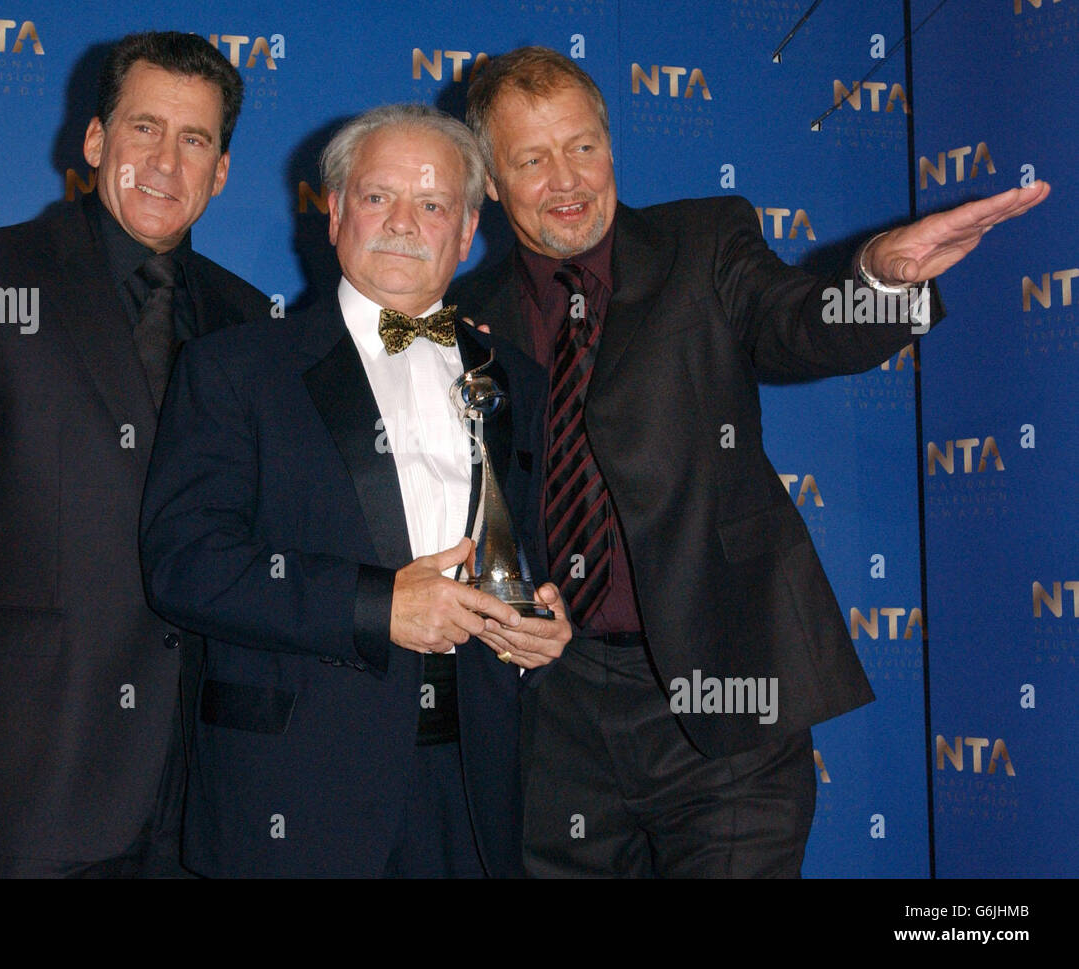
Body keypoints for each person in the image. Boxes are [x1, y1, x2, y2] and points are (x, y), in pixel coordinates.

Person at [448, 46, 1050, 877]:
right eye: (533, 158)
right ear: (488, 179)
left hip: (726, 696)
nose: (568, 179)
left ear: (612, 145)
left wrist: (879, 278)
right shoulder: (463, 323)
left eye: (583, 146)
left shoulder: (703, 242)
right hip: (553, 720)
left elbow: (796, 321)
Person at [0, 31, 271, 877]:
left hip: (205, 786)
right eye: (144, 128)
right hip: (34, 773)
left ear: (221, 171)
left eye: (195, 139)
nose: (165, 160)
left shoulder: (249, 321)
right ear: (94, 141)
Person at [139, 103, 571, 877]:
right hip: (296, 796)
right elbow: (186, 564)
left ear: (467, 229)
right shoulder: (234, 367)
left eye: (433, 204)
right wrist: (379, 605)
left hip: (473, 796)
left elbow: (526, 550)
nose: (404, 222)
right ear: (335, 211)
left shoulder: (519, 380)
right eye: (378, 197)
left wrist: (540, 621)